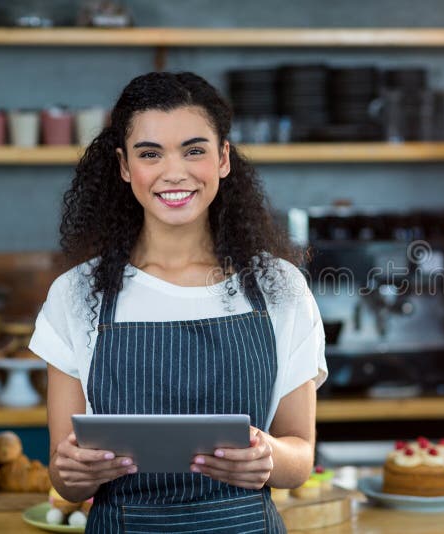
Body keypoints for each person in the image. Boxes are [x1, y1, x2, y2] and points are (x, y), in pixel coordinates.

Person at [28, 71, 327, 532]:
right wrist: (71, 472)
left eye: (194, 150)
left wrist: (268, 457)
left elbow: (300, 455)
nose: (174, 172)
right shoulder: (75, 294)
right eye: (150, 154)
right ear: (125, 166)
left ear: (223, 158)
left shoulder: (280, 288)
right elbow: (64, 478)